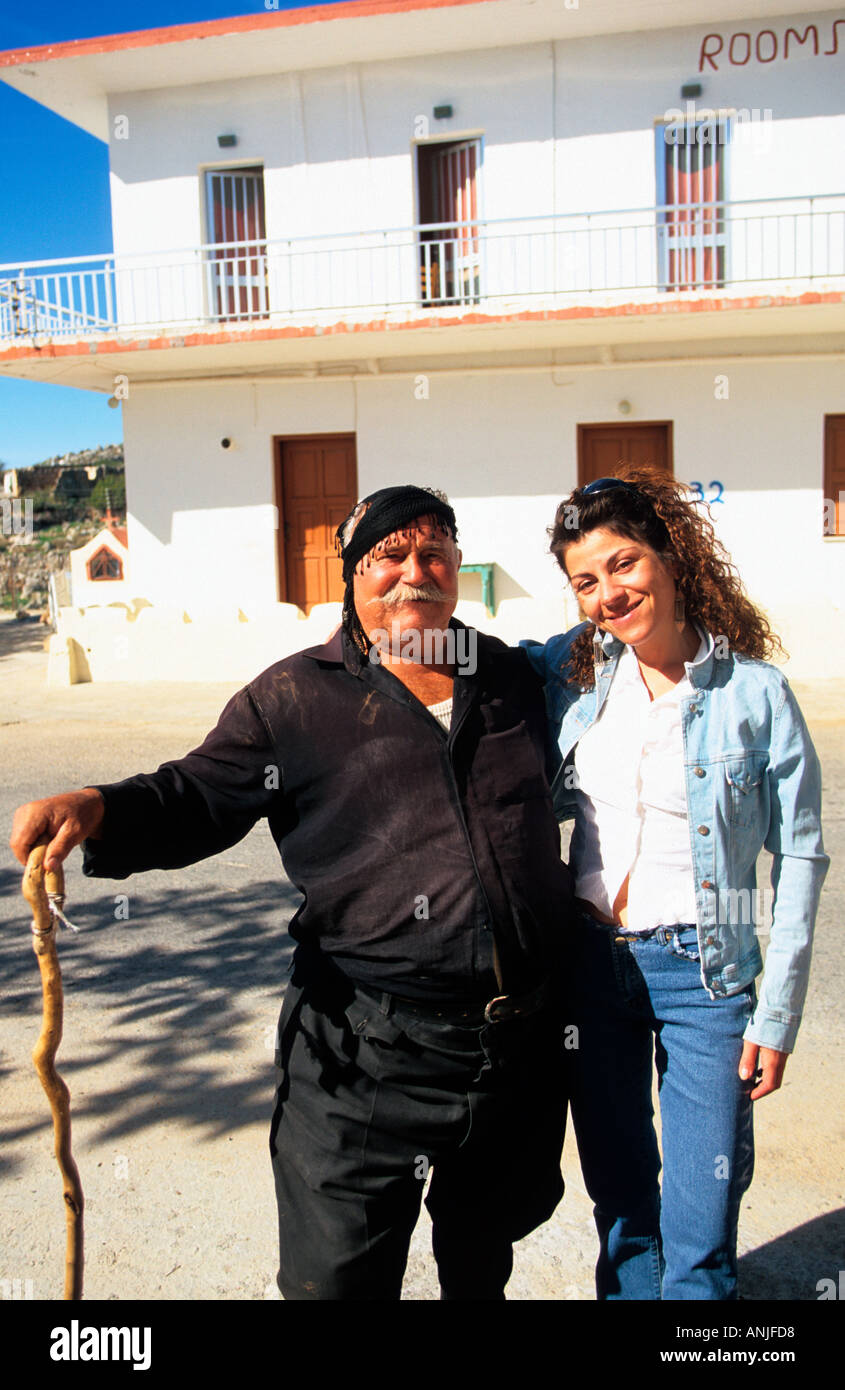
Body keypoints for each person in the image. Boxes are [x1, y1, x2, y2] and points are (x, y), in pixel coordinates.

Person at [11, 483, 574, 1302]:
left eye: (433, 553)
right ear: (350, 578)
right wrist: (99, 808)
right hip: (364, 1053)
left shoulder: (514, 680)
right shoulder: (294, 697)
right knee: (333, 1281)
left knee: (482, 1258)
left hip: (514, 1052)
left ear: (457, 568)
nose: (413, 572)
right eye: (388, 556)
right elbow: (195, 795)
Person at [522, 465, 829, 1301]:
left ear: (667, 553)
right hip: (593, 972)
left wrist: (778, 1012)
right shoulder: (574, 678)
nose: (607, 594)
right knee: (621, 1208)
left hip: (706, 976)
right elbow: (467, 663)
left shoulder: (753, 694)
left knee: (699, 1218)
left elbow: (799, 854)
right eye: (584, 581)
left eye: (622, 564)